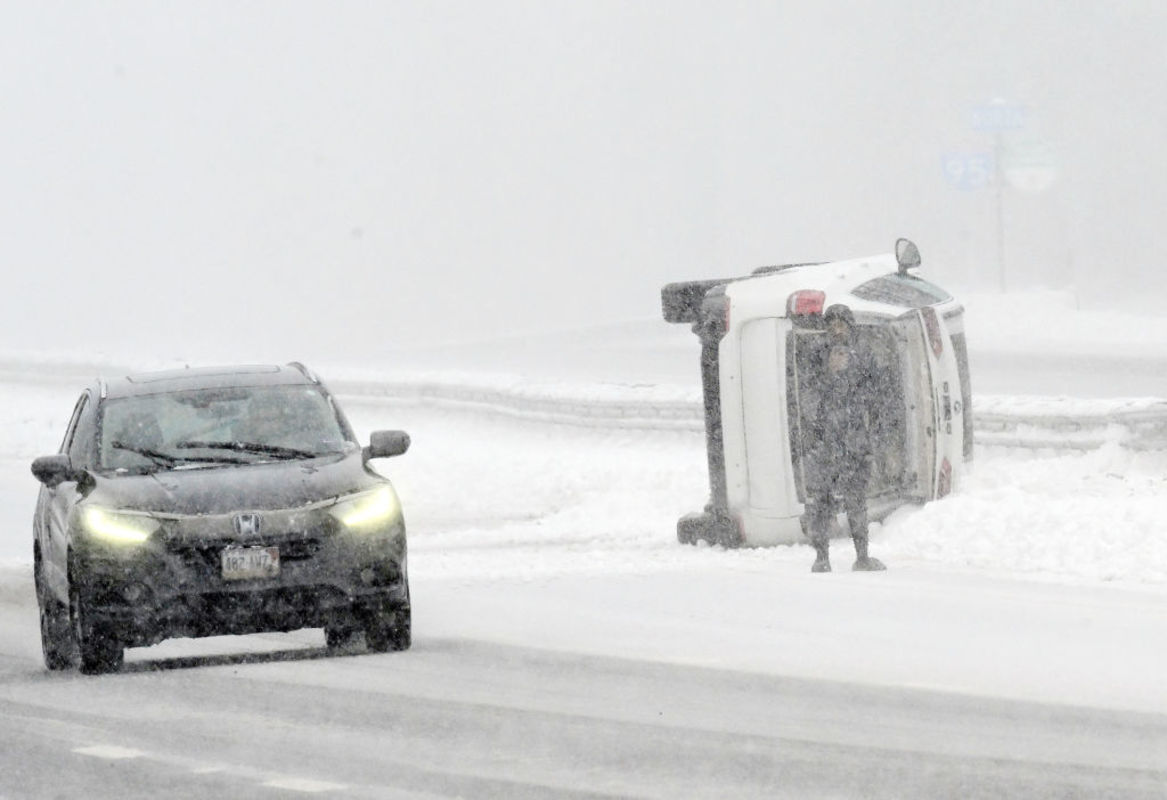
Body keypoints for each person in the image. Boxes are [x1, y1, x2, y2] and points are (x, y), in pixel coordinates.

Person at [802, 303, 887, 573]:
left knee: (856, 500)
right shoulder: (816, 354)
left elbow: (876, 392)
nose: (837, 330)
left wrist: (872, 429)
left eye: (842, 324)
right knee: (822, 501)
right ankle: (821, 557)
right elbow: (808, 393)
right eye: (833, 324)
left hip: (854, 440)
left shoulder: (862, 354)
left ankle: (861, 556)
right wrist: (828, 373)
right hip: (826, 441)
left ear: (850, 327)